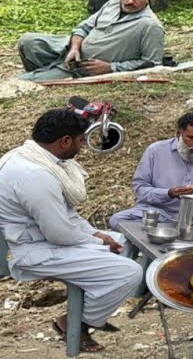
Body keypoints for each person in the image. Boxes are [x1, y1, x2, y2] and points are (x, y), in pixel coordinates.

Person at [0, 106, 143, 354]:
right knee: (129, 272)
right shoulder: (35, 174)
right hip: (35, 250)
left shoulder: (35, 157)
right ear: (65, 141)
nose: (82, 146)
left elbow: (67, 216)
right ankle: (76, 323)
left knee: (126, 243)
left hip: (48, 238)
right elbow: (59, 233)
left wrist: (95, 235)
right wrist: (99, 242)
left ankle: (87, 307)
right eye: (80, 140)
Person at [16, 0, 165, 82]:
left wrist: (111, 67)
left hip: (84, 68)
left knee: (22, 81)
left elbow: (152, 64)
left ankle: (50, 76)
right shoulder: (113, 2)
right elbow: (84, 27)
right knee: (27, 41)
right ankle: (48, 72)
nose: (130, 1)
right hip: (69, 49)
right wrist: (74, 48)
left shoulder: (150, 26)